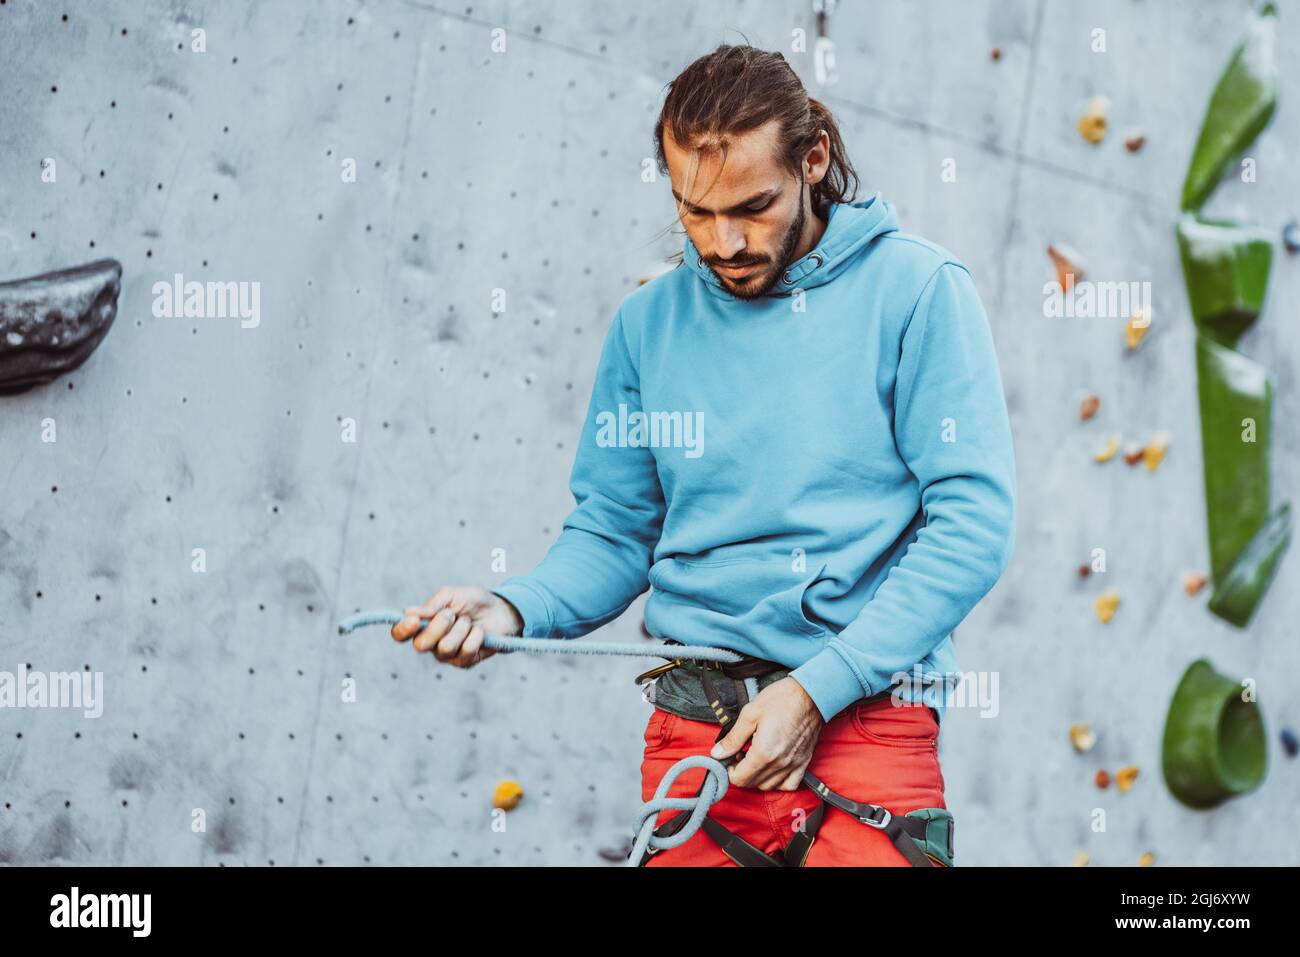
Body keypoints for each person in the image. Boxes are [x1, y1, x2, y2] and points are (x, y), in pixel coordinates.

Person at [391, 44, 1016, 866]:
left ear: (813, 159)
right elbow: (616, 533)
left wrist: (818, 688)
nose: (725, 243)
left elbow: (971, 526)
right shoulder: (647, 327)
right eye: (696, 211)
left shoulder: (920, 292)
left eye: (752, 207)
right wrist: (513, 608)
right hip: (698, 733)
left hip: (869, 715)